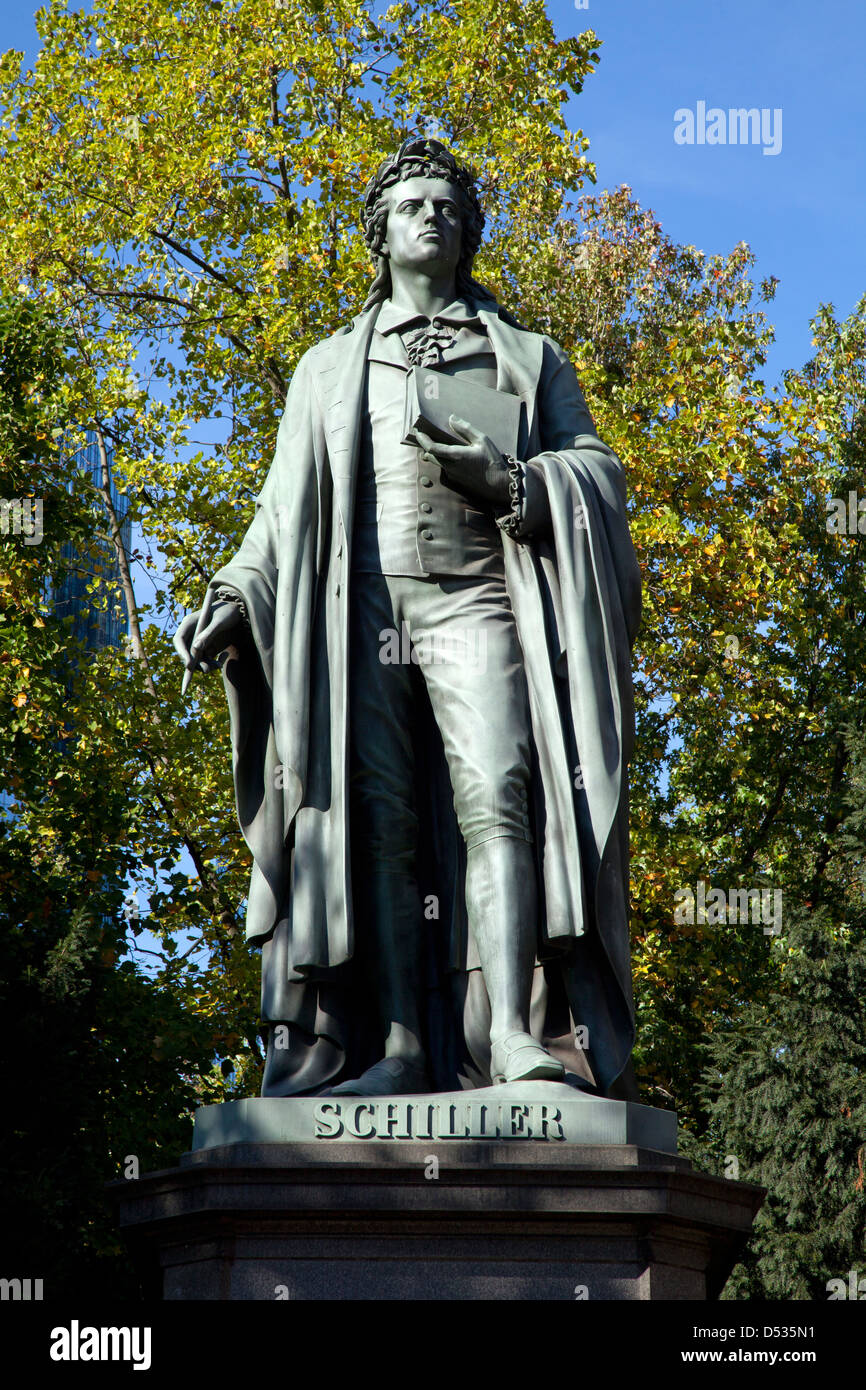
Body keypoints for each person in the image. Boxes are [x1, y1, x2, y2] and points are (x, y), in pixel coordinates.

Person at [174, 137, 641, 1100]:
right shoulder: (328, 369)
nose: (433, 215)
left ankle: (510, 1037)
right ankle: (398, 1046)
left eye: (448, 206)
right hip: (362, 616)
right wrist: (232, 598)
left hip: (479, 600)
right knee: (373, 823)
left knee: (500, 797)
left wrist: (513, 480)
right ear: (380, 235)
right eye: (412, 204)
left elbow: (598, 473)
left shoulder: (523, 355)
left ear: (467, 234)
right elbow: (280, 515)